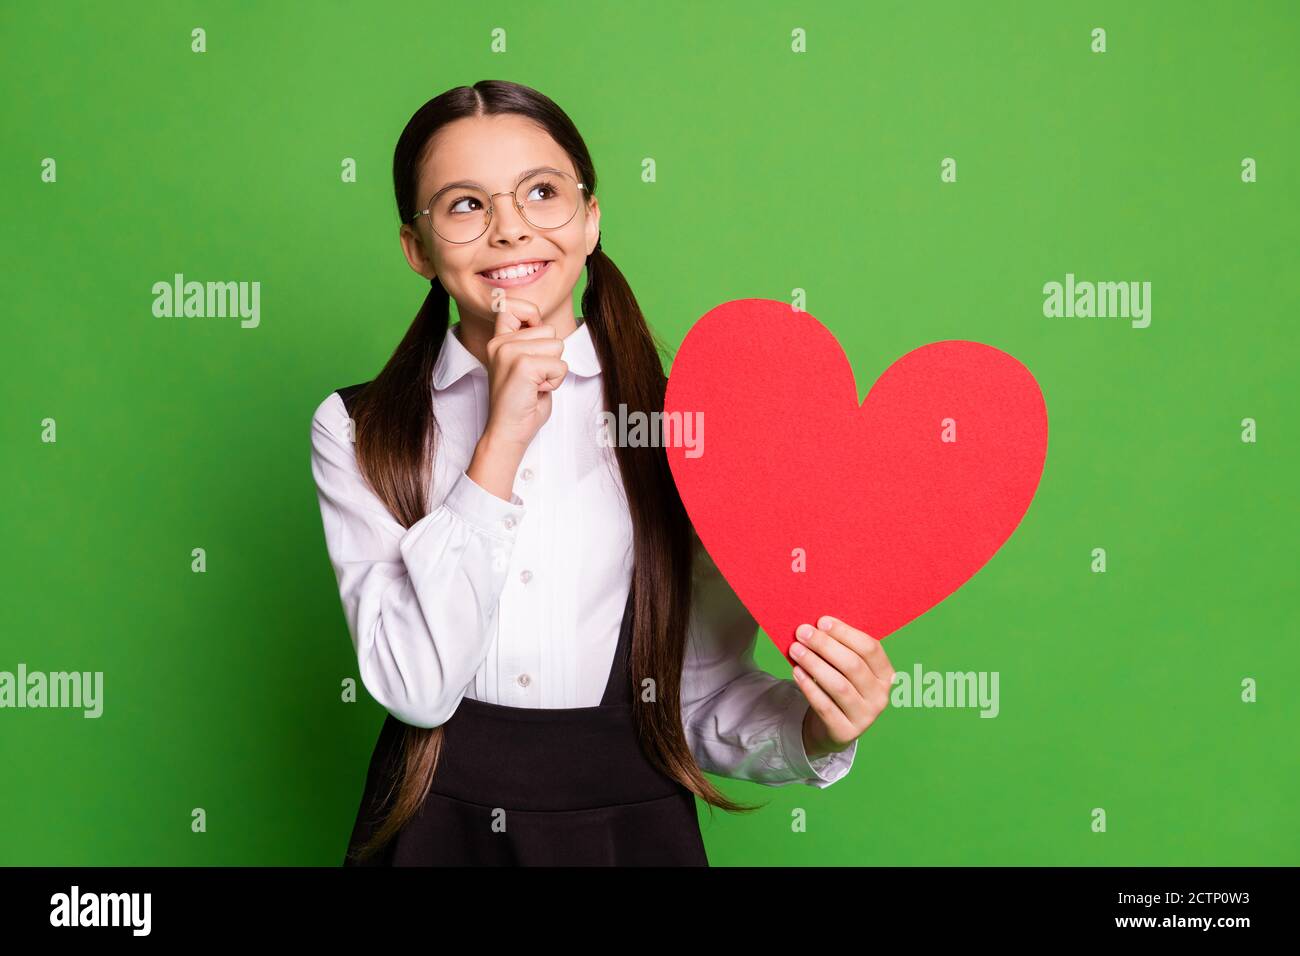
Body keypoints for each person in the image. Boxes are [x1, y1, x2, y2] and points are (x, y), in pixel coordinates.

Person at [309, 80, 896, 866]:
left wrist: (817, 725)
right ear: (417, 248)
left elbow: (696, 700)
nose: (510, 229)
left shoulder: (687, 429)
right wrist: (501, 441)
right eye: (464, 205)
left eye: (542, 193)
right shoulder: (357, 428)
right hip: (431, 832)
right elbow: (417, 688)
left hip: (628, 835)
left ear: (590, 219)